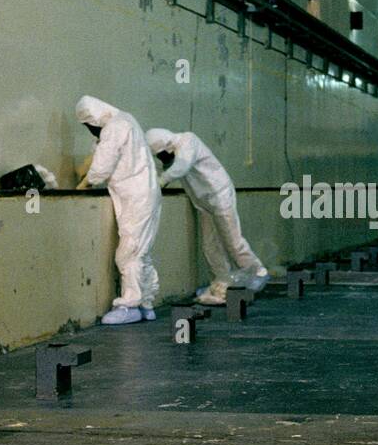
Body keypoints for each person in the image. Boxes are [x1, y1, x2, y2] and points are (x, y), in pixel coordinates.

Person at [144, 128, 268, 305]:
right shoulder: (173, 153)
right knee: (210, 245)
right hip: (204, 203)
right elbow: (168, 168)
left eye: (162, 154)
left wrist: (160, 182)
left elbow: (181, 167)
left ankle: (257, 272)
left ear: (167, 145)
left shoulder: (188, 142)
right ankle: (222, 281)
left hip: (220, 195)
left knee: (232, 240)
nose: (162, 159)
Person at [75, 95, 162, 325]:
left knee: (128, 253)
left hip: (136, 198)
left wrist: (84, 182)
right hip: (147, 196)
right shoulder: (127, 120)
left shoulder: (114, 127)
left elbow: (101, 169)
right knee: (142, 252)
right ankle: (146, 304)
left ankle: (130, 305)